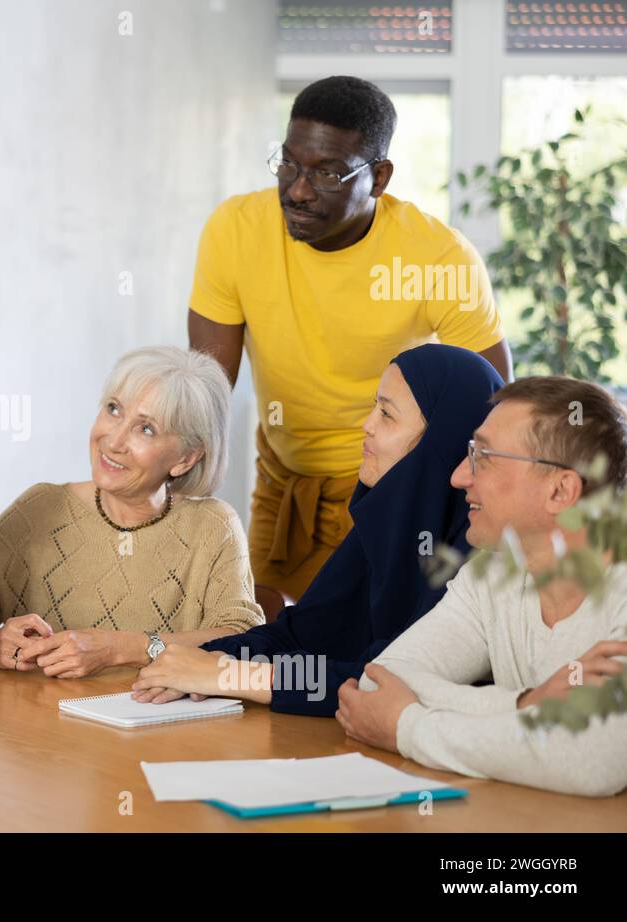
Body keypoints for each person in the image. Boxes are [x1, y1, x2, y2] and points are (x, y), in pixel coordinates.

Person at [187, 75, 512, 602]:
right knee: (253, 627)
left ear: (379, 177)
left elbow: (493, 405)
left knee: (350, 653)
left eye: (328, 173)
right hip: (283, 475)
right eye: (288, 163)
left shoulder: (437, 257)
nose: (297, 189)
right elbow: (204, 387)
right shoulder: (235, 228)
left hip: (386, 483)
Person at [132, 344, 503, 714]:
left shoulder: (483, 559)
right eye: (374, 407)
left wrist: (231, 676)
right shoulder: (384, 527)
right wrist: (189, 662)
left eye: (387, 415)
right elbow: (296, 635)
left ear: (439, 440)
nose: (367, 425)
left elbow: (381, 682)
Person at [337, 375, 627, 797]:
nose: (458, 477)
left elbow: (591, 758)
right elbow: (380, 682)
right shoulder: (489, 575)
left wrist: (406, 726)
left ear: (560, 490)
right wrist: (523, 704)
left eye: (483, 456)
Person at [0, 347, 263, 679]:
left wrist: (122, 649)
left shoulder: (213, 527)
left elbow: (245, 645)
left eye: (146, 429)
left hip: (160, 741)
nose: (113, 441)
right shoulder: (41, 509)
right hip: (43, 737)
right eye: (113, 409)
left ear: (186, 458)